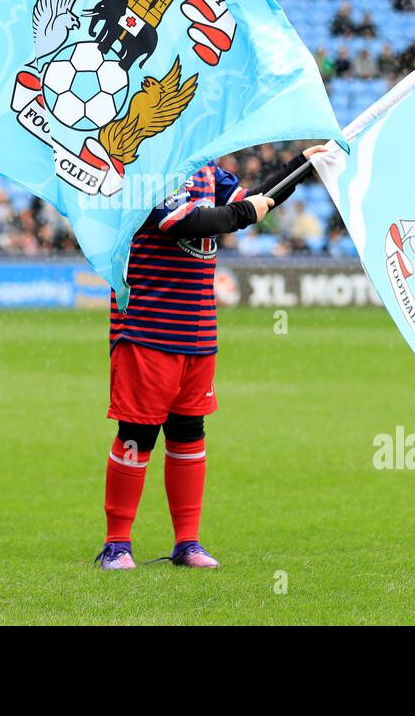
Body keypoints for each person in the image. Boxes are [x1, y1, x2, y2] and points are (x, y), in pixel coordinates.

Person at [96, 144, 330, 571]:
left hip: (197, 329)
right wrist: (247, 214)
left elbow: (259, 197)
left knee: (189, 433)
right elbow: (181, 222)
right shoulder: (147, 164)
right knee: (137, 434)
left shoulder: (206, 169)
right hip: (148, 326)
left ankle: (187, 543)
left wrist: (303, 165)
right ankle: (116, 544)